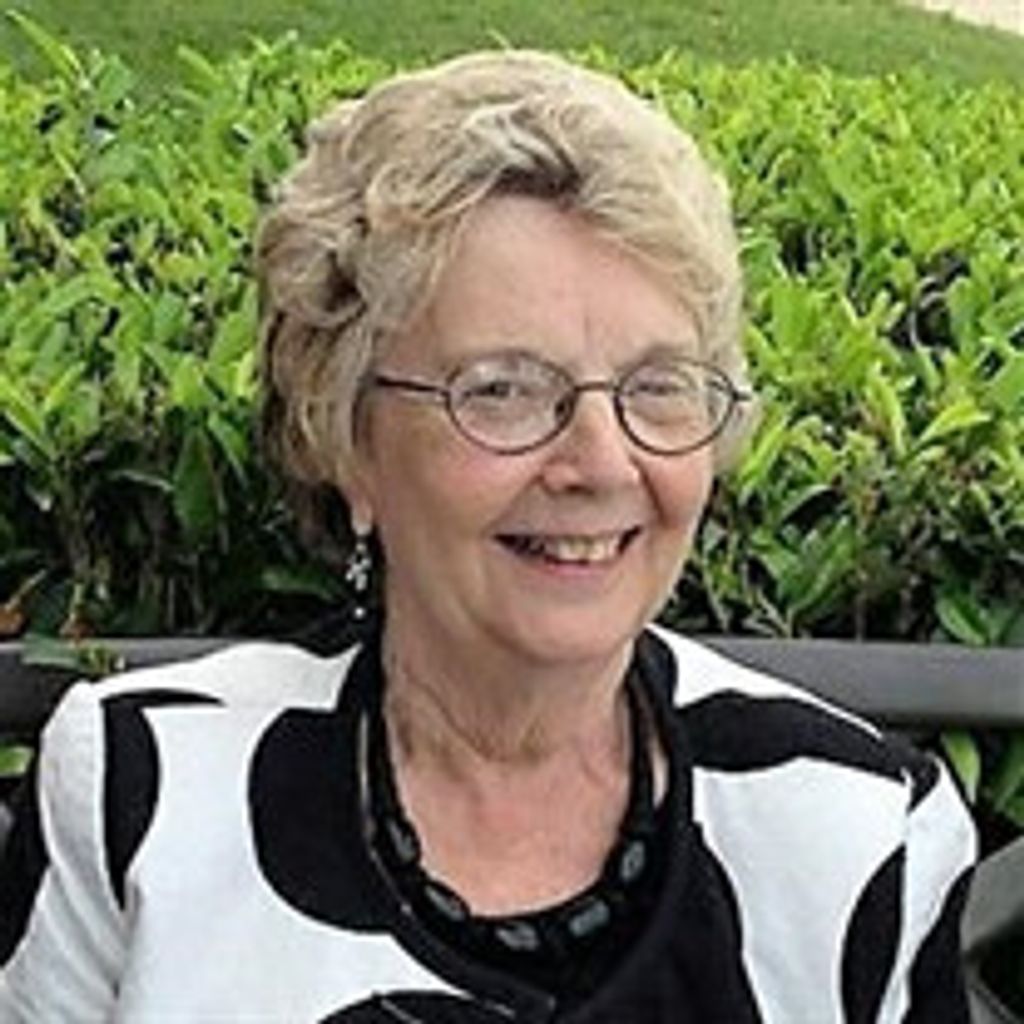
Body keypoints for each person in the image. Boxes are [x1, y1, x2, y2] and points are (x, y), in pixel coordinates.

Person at [0, 50, 975, 1022]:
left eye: (657, 387)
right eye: (503, 389)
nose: (602, 462)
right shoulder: (140, 793)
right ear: (346, 436)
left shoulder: (858, 829)